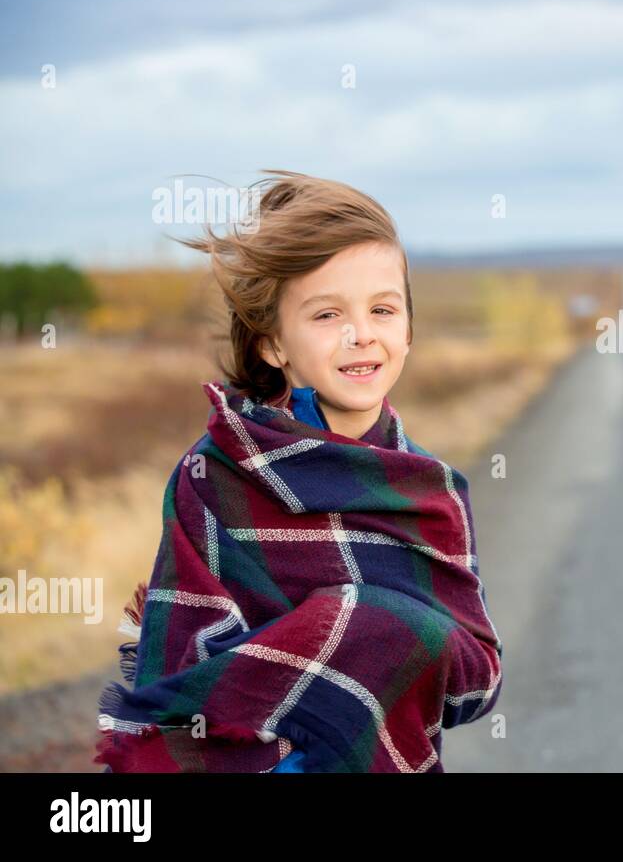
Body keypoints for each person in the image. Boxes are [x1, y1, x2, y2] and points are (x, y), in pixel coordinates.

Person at [94, 171, 503, 772]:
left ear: (409, 330)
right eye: (327, 314)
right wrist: (340, 640)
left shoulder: (432, 491)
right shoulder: (215, 478)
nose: (360, 334)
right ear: (272, 345)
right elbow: (188, 674)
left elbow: (476, 685)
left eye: (383, 309)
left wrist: (377, 630)